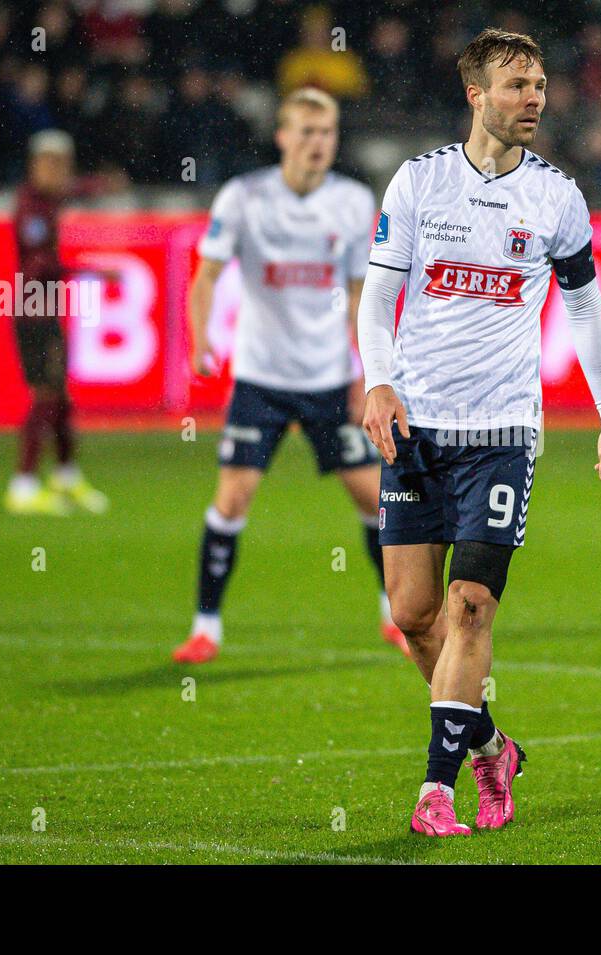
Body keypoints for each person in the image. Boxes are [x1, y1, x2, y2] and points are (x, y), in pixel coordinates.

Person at [357, 29, 601, 836]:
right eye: (517, 86)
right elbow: (378, 297)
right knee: (414, 613)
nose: (535, 99)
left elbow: (583, 306)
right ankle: (490, 743)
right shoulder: (419, 181)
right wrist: (379, 380)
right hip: (417, 425)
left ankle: (437, 790)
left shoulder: (557, 196)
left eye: (541, 85)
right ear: (476, 94)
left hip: (504, 430)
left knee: (470, 606)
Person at [173, 88, 405, 665]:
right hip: (261, 379)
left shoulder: (352, 201)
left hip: (330, 377)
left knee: (375, 498)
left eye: (326, 133)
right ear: (282, 137)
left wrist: (368, 372)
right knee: (233, 499)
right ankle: (206, 627)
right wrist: (200, 339)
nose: (317, 144)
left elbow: (361, 293)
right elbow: (205, 277)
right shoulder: (245, 196)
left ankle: (393, 613)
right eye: (306, 132)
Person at [4, 130, 108, 516]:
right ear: (38, 165)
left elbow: (69, 191)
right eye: (55, 165)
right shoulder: (31, 208)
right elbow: (40, 265)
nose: (62, 172)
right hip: (32, 312)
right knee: (46, 395)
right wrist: (90, 272)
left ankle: (66, 477)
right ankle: (24, 485)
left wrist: (94, 185)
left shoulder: (45, 201)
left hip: (44, 310)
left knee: (61, 400)